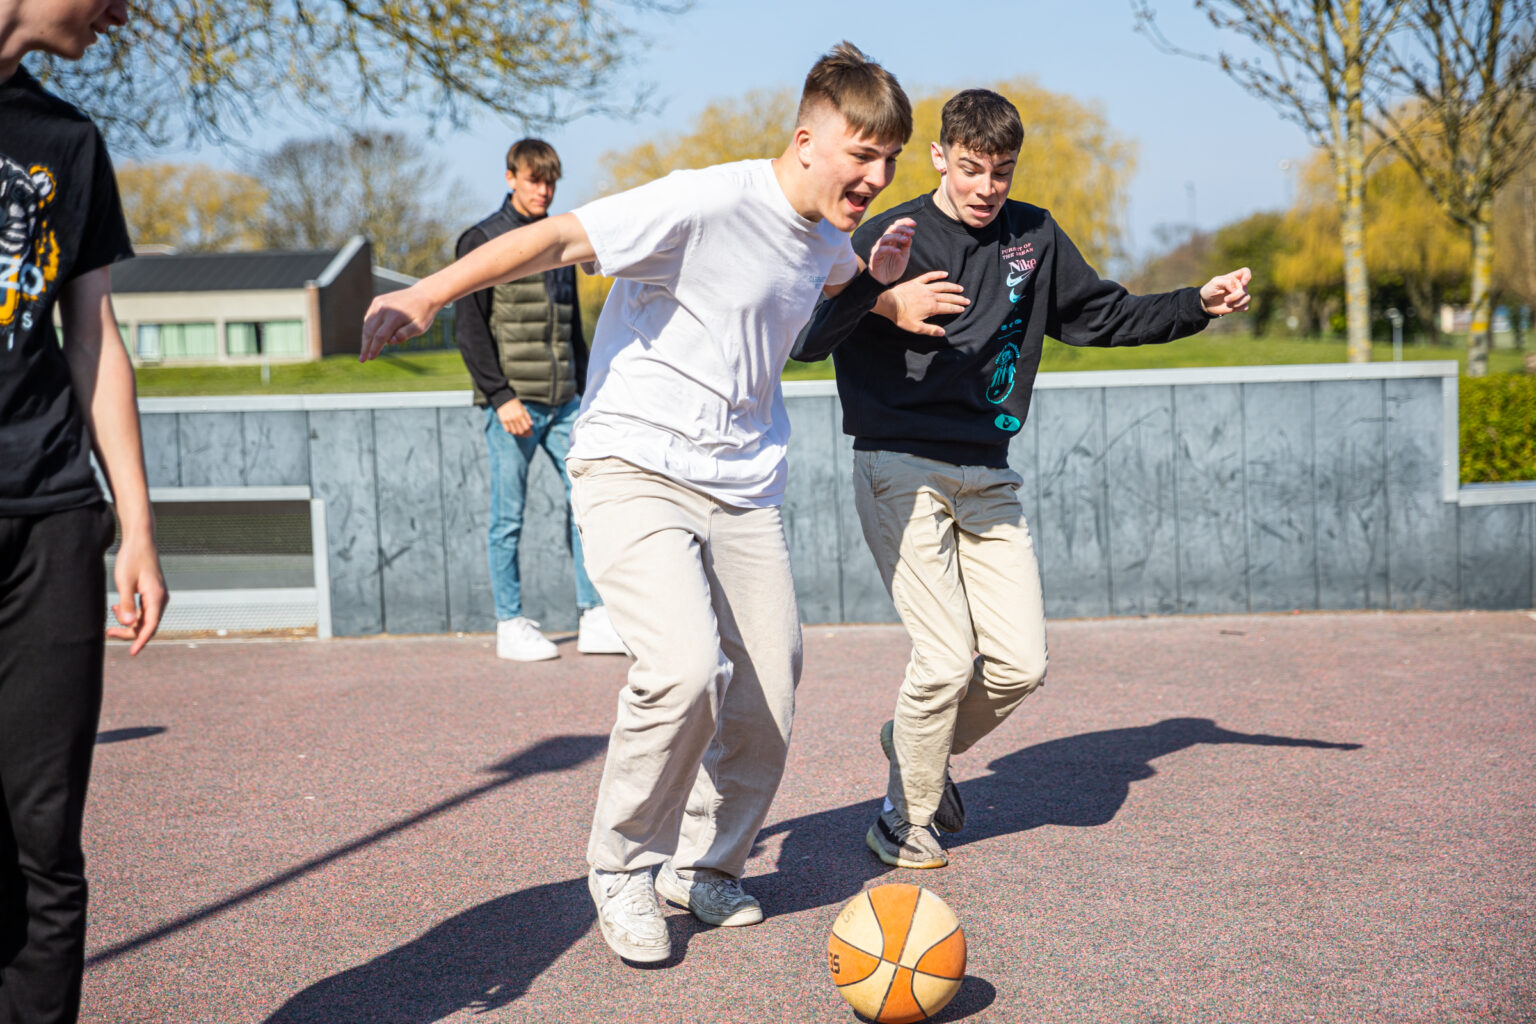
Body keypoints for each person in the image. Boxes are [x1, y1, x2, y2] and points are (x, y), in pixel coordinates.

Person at [361, 42, 916, 963]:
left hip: (742, 486)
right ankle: (621, 866)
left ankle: (703, 863)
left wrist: (873, 273)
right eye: (864, 154)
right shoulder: (704, 199)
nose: (878, 175)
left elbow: (816, 303)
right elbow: (556, 239)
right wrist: (429, 291)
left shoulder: (826, 238)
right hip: (633, 463)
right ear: (807, 139)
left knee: (770, 687)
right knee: (685, 669)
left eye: (890, 158)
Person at [793, 89, 1251, 870]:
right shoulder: (888, 232)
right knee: (942, 661)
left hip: (990, 475)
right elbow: (807, 337)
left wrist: (1195, 305)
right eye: (970, 169)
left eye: (1000, 173)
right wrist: (884, 295)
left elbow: (1101, 316)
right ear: (940, 157)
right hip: (900, 466)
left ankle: (913, 745)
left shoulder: (1032, 235)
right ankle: (903, 818)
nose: (984, 188)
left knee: (1020, 665)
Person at [0, 1, 169, 1021]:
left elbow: (94, 340)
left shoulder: (68, 140)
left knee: (44, 840)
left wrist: (137, 526)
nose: (124, 11)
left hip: (52, 514)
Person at [454, 138, 624, 661]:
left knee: (588, 508)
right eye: (534, 180)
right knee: (509, 519)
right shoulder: (481, 239)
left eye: (550, 181)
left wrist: (589, 387)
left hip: (565, 403)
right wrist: (500, 396)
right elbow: (470, 328)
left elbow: (570, 326)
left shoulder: (558, 241)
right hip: (514, 407)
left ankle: (594, 615)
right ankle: (510, 625)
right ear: (511, 178)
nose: (543, 190)